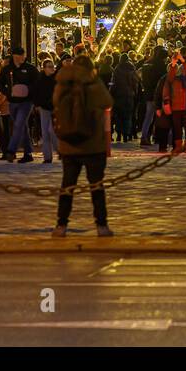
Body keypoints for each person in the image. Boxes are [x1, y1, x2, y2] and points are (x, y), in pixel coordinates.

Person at [51, 53, 115, 237]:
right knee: (96, 186)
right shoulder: (94, 84)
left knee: (67, 185)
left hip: (68, 144)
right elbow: (108, 102)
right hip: (93, 143)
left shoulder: (62, 84)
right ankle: (101, 225)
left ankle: (61, 225)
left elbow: (55, 104)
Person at [0, 47, 40, 163]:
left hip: (26, 102)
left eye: (22, 55)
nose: (21, 58)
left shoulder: (30, 69)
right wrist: (8, 92)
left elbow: (37, 83)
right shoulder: (7, 69)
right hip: (13, 102)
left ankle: (11, 150)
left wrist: (27, 90)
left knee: (19, 124)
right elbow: (0, 82)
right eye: (18, 56)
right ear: (14, 56)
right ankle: (28, 153)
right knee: (22, 126)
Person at [139, 43, 168, 149]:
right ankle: (158, 136)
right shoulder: (160, 65)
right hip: (157, 93)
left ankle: (144, 136)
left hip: (147, 92)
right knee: (159, 116)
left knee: (148, 116)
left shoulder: (147, 64)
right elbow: (163, 80)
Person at [32, 57, 59, 163]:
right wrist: (37, 105)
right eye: (49, 67)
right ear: (44, 68)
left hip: (55, 108)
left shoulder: (57, 79)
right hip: (44, 108)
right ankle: (47, 157)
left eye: (52, 66)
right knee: (45, 132)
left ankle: (59, 150)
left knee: (52, 131)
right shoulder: (39, 79)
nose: (52, 68)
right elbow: (35, 92)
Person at [110, 53, 140, 144]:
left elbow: (113, 83)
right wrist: (135, 92)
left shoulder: (117, 69)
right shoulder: (131, 68)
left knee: (119, 115)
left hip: (119, 95)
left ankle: (119, 134)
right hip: (129, 95)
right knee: (128, 115)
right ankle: (126, 134)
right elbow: (135, 82)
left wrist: (111, 93)